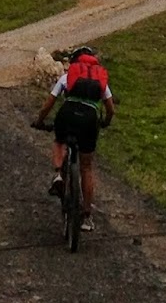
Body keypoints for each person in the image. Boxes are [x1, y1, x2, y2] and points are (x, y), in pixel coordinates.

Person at [33, 46, 115, 232]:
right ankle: (86, 217)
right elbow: (110, 109)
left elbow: (49, 104)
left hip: (68, 114)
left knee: (59, 141)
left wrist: (39, 121)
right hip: (90, 119)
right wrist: (105, 123)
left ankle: (59, 175)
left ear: (75, 61)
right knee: (86, 167)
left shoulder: (67, 76)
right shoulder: (99, 78)